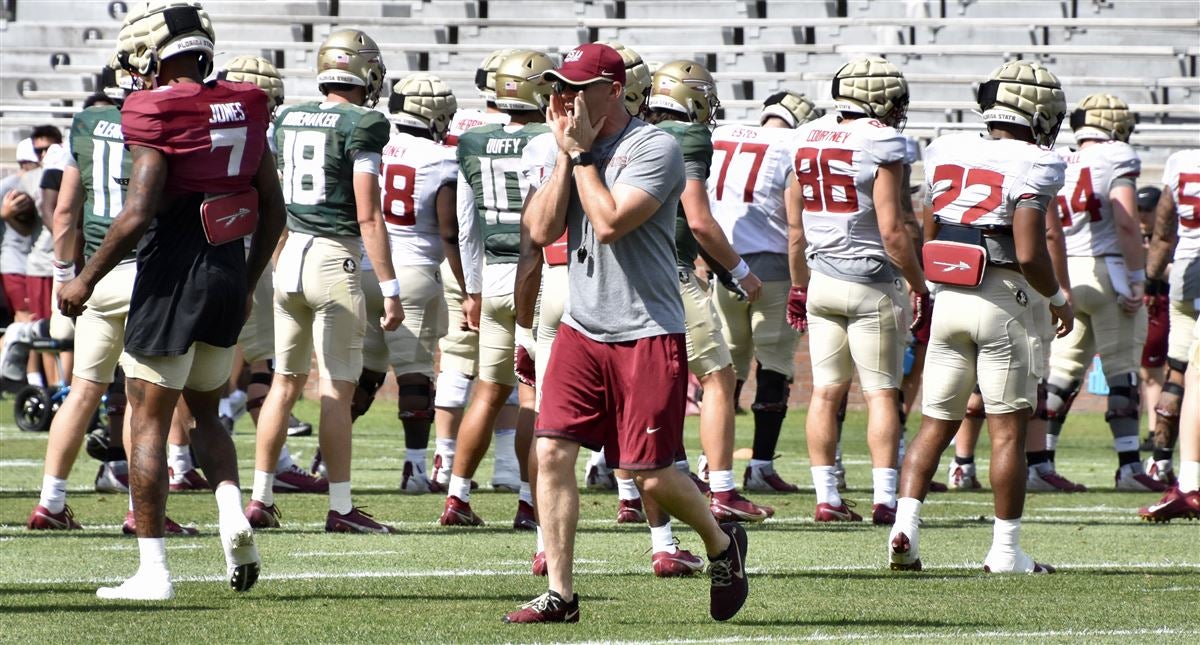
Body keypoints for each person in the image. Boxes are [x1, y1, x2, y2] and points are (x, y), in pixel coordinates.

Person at [505, 42, 747, 624]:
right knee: (551, 451)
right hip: (583, 327)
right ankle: (560, 595)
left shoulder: (654, 146)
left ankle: (721, 541)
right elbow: (538, 231)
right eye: (561, 86)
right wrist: (566, 157)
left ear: (613, 91)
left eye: (579, 87)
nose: (564, 97)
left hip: (645, 330)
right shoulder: (569, 145)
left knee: (651, 475)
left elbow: (611, 222)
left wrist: (583, 157)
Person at [58, 0, 284, 599]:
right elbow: (273, 208)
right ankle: (232, 511)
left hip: (171, 277)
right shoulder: (245, 103)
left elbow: (137, 211)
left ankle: (153, 571)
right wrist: (248, 281)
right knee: (208, 412)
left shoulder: (155, 108)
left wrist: (84, 279)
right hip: (228, 272)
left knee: (149, 421)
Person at [888, 60, 1073, 573]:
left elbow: (930, 228)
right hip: (1003, 301)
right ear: (1035, 112)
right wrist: (1058, 300)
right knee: (1008, 430)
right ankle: (1006, 552)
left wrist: (933, 288)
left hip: (949, 297)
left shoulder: (946, 146)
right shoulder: (1038, 161)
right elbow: (1033, 252)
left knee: (934, 423)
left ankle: (905, 529)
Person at [245, 29, 400, 534]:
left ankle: (262, 498)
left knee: (284, 385)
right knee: (336, 388)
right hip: (334, 259)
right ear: (366, 73)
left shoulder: (286, 116)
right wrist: (391, 287)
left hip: (287, 258)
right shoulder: (365, 122)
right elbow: (369, 215)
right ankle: (340, 507)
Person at [640, 59, 774, 542]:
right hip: (669, 276)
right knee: (718, 377)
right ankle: (721, 487)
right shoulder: (687, 137)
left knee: (651, 398)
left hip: (622, 278)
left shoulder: (633, 133)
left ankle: (655, 529)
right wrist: (740, 270)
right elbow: (697, 218)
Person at [792, 57, 930, 525]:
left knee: (826, 393)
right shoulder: (881, 140)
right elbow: (893, 229)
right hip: (871, 280)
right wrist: (919, 284)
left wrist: (798, 283)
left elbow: (795, 225)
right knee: (881, 394)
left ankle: (827, 497)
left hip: (821, 278)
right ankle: (885, 498)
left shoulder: (807, 134)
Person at [439, 50, 553, 529]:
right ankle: (529, 501)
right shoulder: (549, 141)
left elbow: (466, 227)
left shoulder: (472, 140)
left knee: (486, 391)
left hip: (491, 273)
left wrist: (473, 289)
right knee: (531, 397)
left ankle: (457, 496)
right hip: (538, 277)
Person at [1039, 93, 1156, 491]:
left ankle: (1041, 463)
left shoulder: (1057, 157)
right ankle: (1129, 467)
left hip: (1065, 273)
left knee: (1061, 374)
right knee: (1122, 371)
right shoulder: (1115, 156)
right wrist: (1138, 276)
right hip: (1108, 269)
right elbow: (1125, 221)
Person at [351, 72, 458, 494]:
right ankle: (415, 470)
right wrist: (466, 285)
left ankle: (327, 458)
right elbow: (448, 230)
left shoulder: (373, 144)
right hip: (412, 271)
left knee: (365, 372)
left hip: (365, 267)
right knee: (415, 374)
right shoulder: (441, 158)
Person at [710, 91, 817, 504]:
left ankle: (712, 465)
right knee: (774, 364)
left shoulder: (723, 135)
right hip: (773, 268)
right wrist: (800, 283)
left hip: (726, 266)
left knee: (726, 367)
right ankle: (760, 466)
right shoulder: (792, 145)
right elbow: (796, 226)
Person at [431, 47, 515, 492]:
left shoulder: (461, 124)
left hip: (461, 261)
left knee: (460, 364)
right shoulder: (533, 134)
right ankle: (508, 470)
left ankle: (446, 465)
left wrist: (468, 282)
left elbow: (453, 212)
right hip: (506, 263)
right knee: (513, 373)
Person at [1139, 147, 1200, 521]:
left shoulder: (1180, 161)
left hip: (1183, 278)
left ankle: (1161, 462)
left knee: (1179, 373)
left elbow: (1163, 232)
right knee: (1194, 375)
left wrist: (1150, 279)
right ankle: (1190, 482)